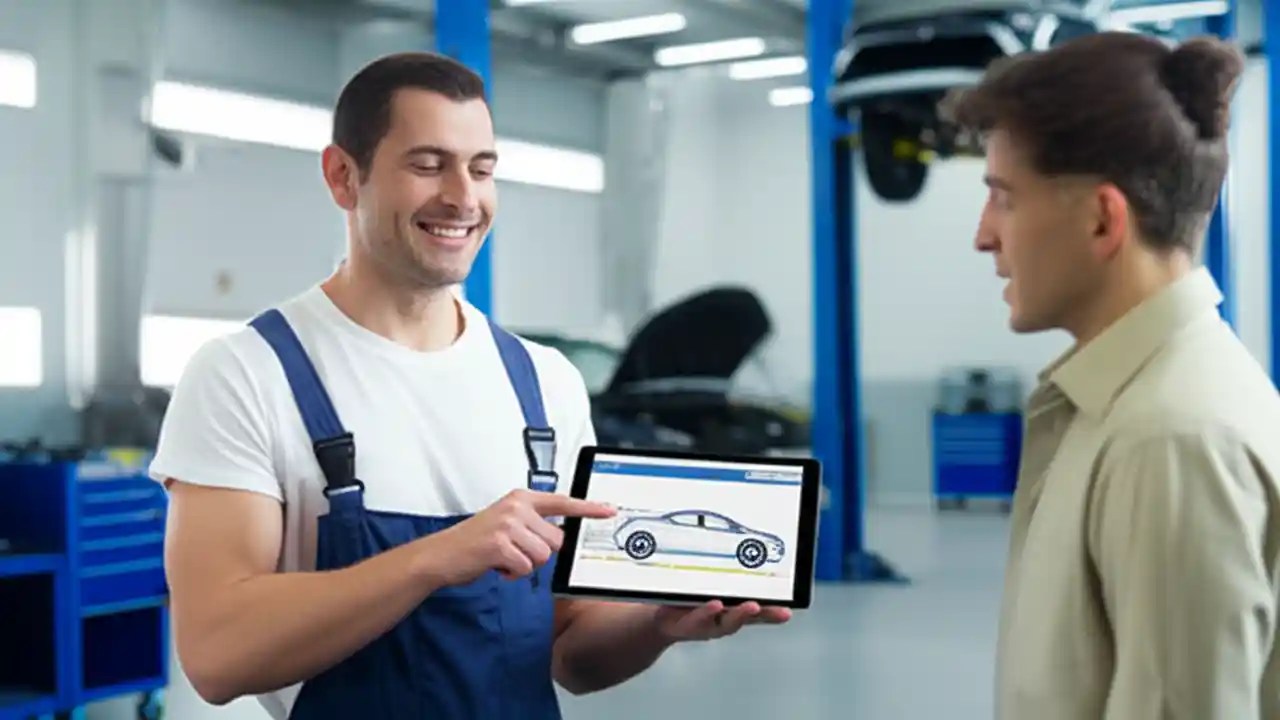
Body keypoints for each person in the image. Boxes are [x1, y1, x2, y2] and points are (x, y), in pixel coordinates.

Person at [150, 51, 790, 720]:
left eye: (481, 169)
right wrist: (435, 559)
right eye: (428, 165)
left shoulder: (545, 385)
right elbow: (217, 655)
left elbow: (570, 649)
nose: (463, 197)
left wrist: (656, 625)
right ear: (343, 176)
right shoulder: (246, 375)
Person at [944, 32, 1280, 718]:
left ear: (1103, 220)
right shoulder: (1136, 400)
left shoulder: (1168, 438)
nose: (983, 236)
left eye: (1005, 198)